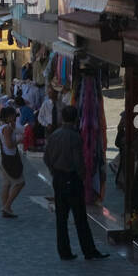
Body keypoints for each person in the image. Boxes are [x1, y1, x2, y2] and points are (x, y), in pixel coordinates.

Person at [45, 105, 107, 260]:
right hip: (71, 178)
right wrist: (82, 175)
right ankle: (89, 250)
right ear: (75, 119)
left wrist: (54, 171)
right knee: (80, 218)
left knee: (61, 218)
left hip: (58, 178)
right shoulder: (74, 137)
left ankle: (64, 251)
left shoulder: (54, 135)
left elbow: (46, 158)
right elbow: (78, 161)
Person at [0, 106, 26, 218]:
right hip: (9, 158)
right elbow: (9, 144)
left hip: (1, 156)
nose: (15, 118)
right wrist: (19, 140)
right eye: (13, 116)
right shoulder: (7, 129)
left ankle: (6, 209)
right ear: (9, 116)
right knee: (20, 182)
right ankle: (7, 206)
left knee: (6, 184)